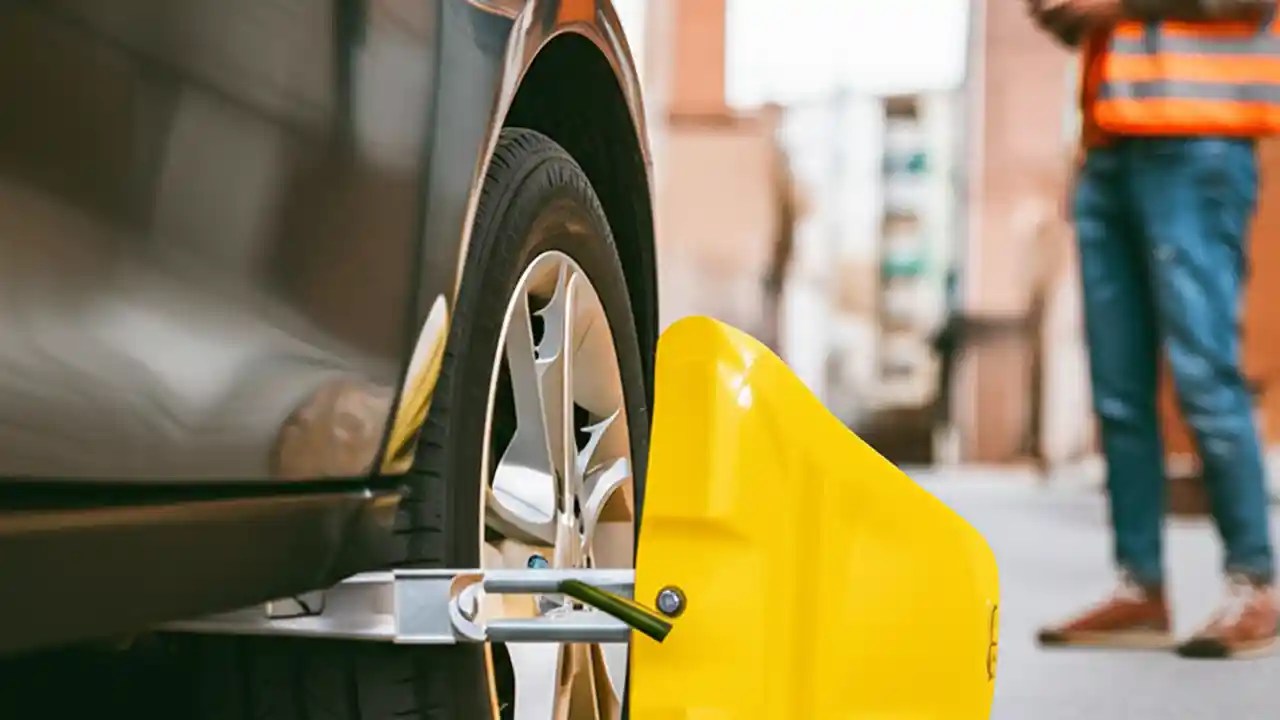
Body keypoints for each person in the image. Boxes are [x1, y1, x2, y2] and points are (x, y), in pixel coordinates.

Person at [1028, 0, 1280, 659]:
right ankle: (1140, 586)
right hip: (1108, 147)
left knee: (1204, 374)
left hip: (1199, 142)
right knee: (1117, 389)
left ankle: (1255, 583)